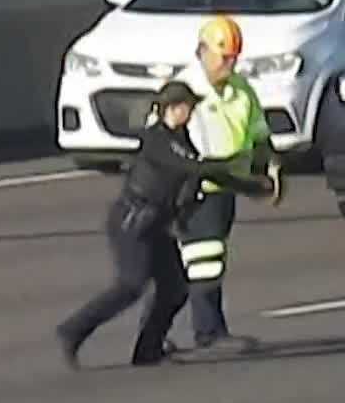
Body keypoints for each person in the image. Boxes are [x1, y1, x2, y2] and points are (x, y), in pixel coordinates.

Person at [56, 81, 277, 369]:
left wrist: (251, 187)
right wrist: (236, 161)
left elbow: (203, 173)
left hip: (156, 224)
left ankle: (148, 350)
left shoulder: (180, 139)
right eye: (187, 106)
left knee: (175, 288)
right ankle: (73, 330)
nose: (191, 112)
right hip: (131, 222)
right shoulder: (158, 140)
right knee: (130, 285)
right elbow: (197, 167)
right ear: (171, 109)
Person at [168, 15, 282, 354]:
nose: (228, 65)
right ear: (202, 51)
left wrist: (269, 170)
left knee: (203, 263)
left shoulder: (241, 89)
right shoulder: (182, 91)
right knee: (204, 262)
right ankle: (209, 332)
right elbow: (162, 142)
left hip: (227, 186)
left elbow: (259, 134)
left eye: (233, 58)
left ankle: (162, 334)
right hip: (193, 189)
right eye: (223, 58)